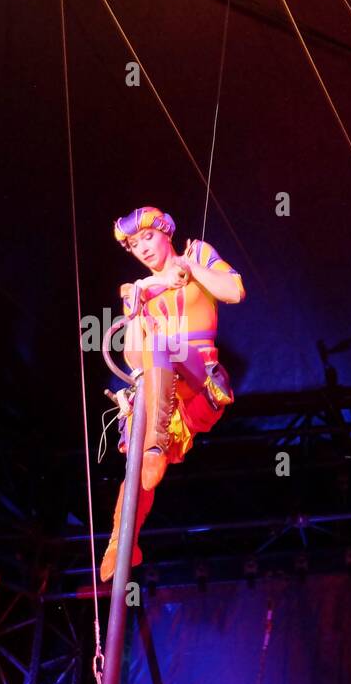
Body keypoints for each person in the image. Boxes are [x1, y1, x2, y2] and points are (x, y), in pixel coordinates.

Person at [100, 206, 244, 582]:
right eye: (133, 245)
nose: (142, 249)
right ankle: (122, 539)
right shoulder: (138, 290)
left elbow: (234, 291)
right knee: (135, 454)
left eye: (147, 237)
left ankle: (156, 446)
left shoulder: (197, 254)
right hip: (163, 388)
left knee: (162, 348)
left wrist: (190, 269)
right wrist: (134, 311)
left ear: (166, 233)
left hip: (199, 380)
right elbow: (133, 356)